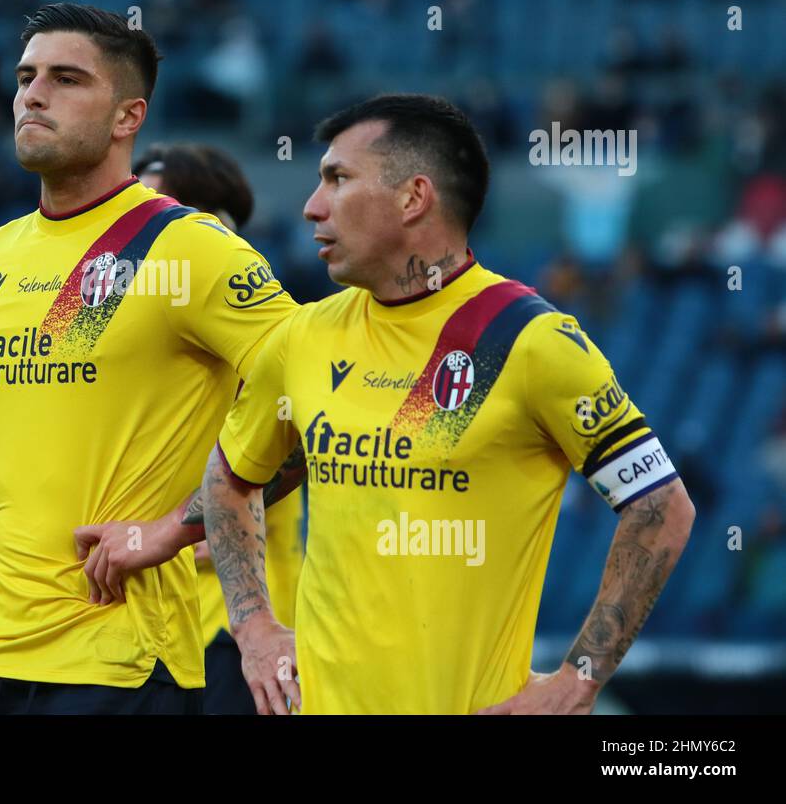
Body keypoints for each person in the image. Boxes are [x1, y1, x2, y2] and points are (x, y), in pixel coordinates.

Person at [200, 94, 695, 714]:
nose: (311, 206)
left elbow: (662, 505)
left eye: (338, 179)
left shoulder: (529, 341)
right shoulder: (302, 337)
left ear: (413, 198)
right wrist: (253, 628)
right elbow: (229, 478)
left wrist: (580, 677)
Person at [0, 4, 300, 714]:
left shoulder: (190, 248)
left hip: (119, 664)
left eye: (66, 78)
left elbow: (316, 400)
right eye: (25, 77)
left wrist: (173, 528)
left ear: (128, 116)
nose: (33, 95)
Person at [134, 143, 304, 714]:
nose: (131, 217)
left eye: (152, 203)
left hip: (238, 638)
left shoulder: (256, 343)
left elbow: (229, 517)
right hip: (158, 636)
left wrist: (151, 532)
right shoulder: (155, 352)